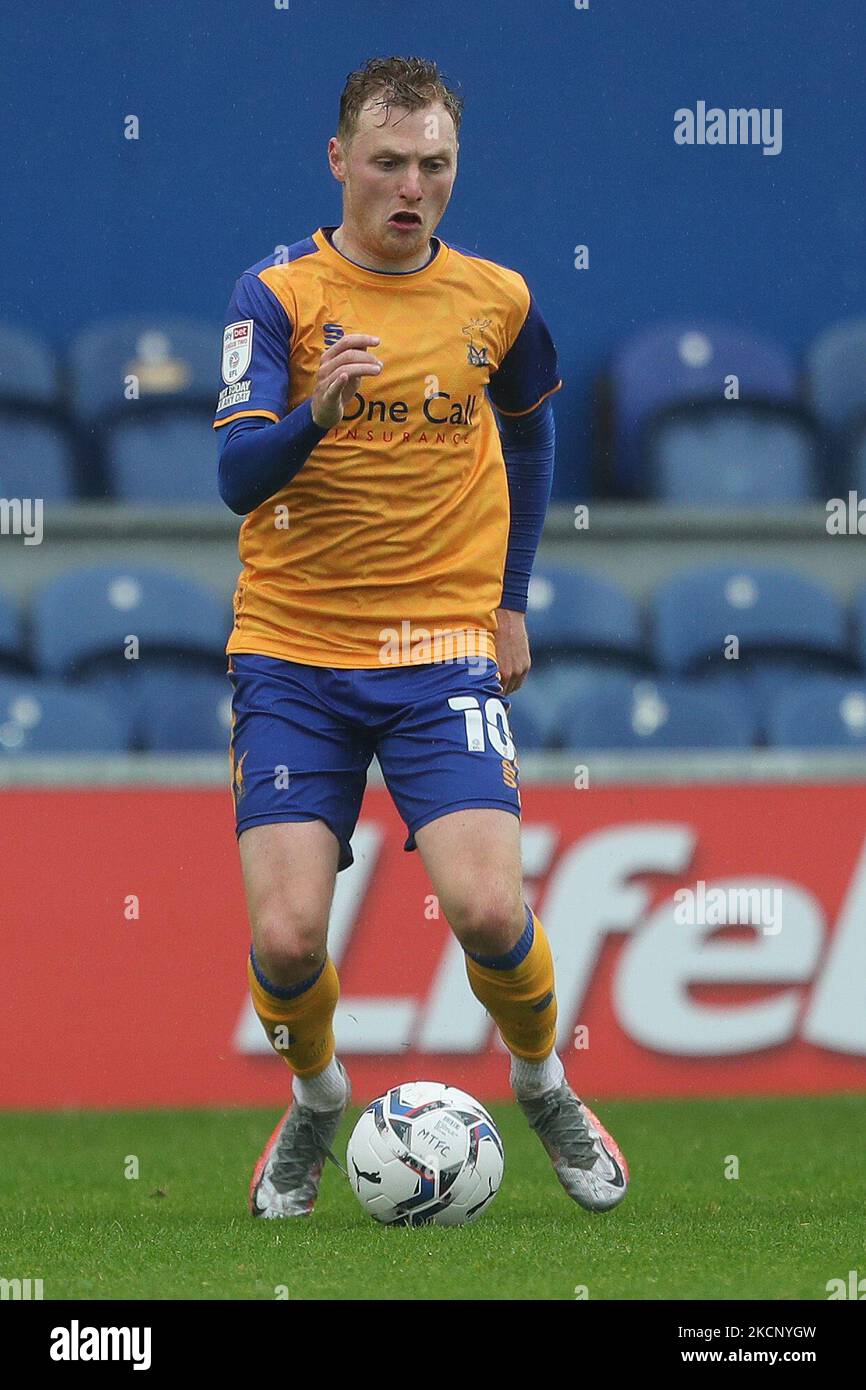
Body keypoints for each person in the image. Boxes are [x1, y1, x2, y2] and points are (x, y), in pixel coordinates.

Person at [214, 54, 629, 1219]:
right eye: (388, 163)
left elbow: (533, 436)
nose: (411, 186)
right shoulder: (274, 294)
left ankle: (543, 1085)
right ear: (338, 159)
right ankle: (313, 1099)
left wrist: (510, 599)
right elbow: (236, 476)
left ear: (455, 168)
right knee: (290, 939)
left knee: (492, 911)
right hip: (293, 652)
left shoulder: (496, 298)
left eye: (433, 165)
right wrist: (318, 412)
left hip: (438, 647)